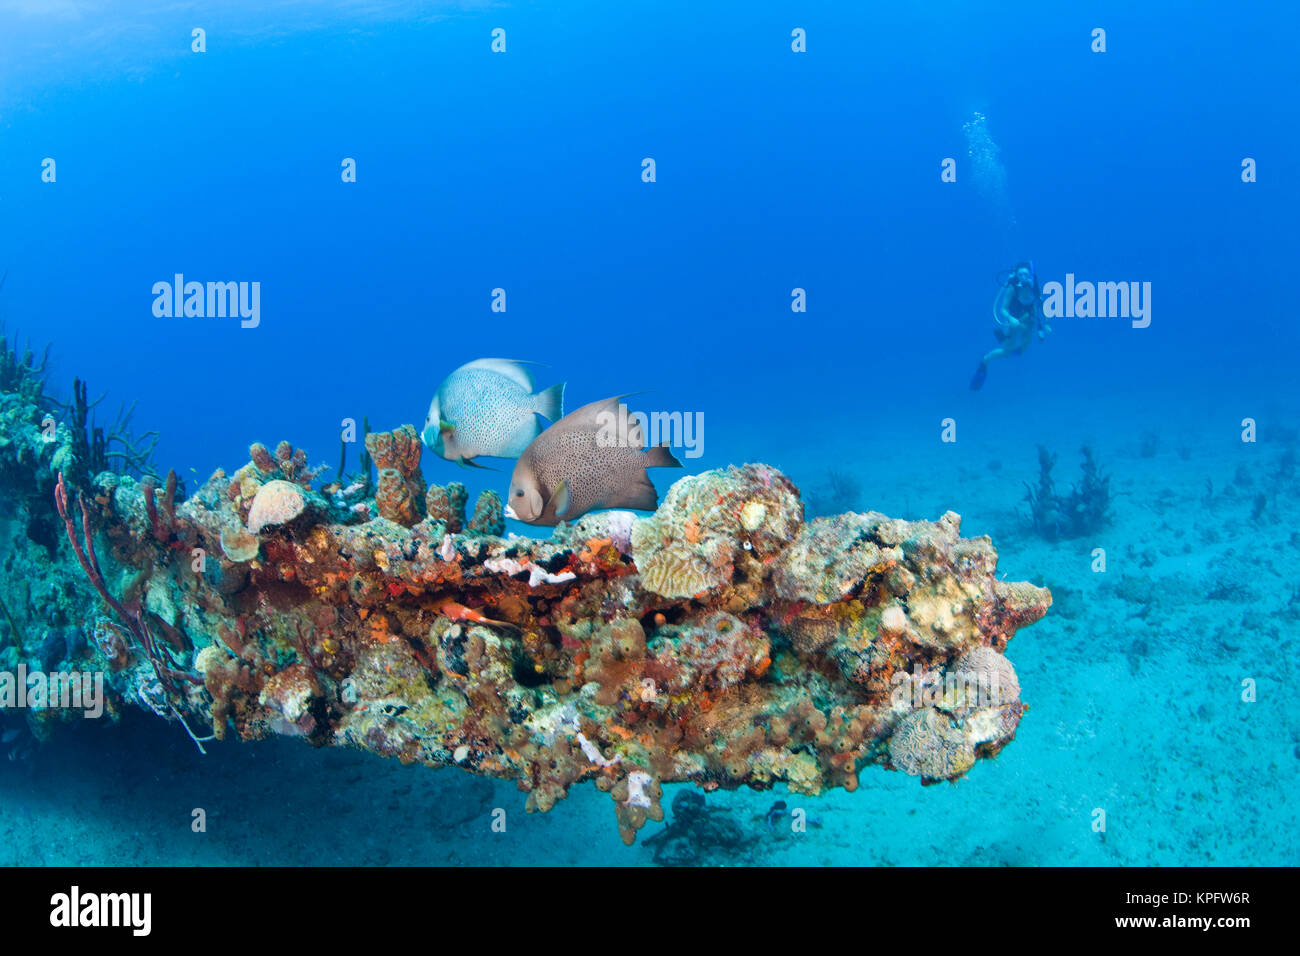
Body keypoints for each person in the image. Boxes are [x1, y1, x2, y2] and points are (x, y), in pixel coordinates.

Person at [970, 261, 1051, 390]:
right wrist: (1010, 318)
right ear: (1016, 275)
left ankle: (1010, 350)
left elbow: (1042, 305)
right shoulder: (1013, 287)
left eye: (1026, 274)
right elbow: (1003, 309)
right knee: (1007, 352)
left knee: (1024, 348)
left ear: (1030, 274)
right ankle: (985, 360)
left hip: (1028, 319)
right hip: (1013, 320)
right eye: (1020, 274)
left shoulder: (1034, 285)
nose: (1023, 277)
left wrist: (1047, 323)